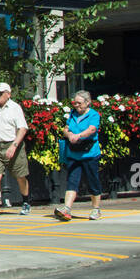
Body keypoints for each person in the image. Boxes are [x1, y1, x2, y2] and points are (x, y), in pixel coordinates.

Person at [0, 81, 30, 218]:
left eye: (0, 94)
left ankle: (26, 202)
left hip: (13, 144)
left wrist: (14, 145)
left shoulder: (15, 108)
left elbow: (22, 128)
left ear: (8, 94)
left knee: (20, 176)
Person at [55, 90, 103, 221]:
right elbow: (66, 128)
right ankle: (67, 209)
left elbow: (92, 129)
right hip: (74, 153)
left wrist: (79, 135)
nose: (76, 105)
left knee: (92, 181)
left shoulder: (93, 115)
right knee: (72, 181)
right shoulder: (72, 114)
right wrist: (69, 134)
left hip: (89, 153)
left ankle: (96, 209)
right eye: (75, 103)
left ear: (87, 103)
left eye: (79, 103)